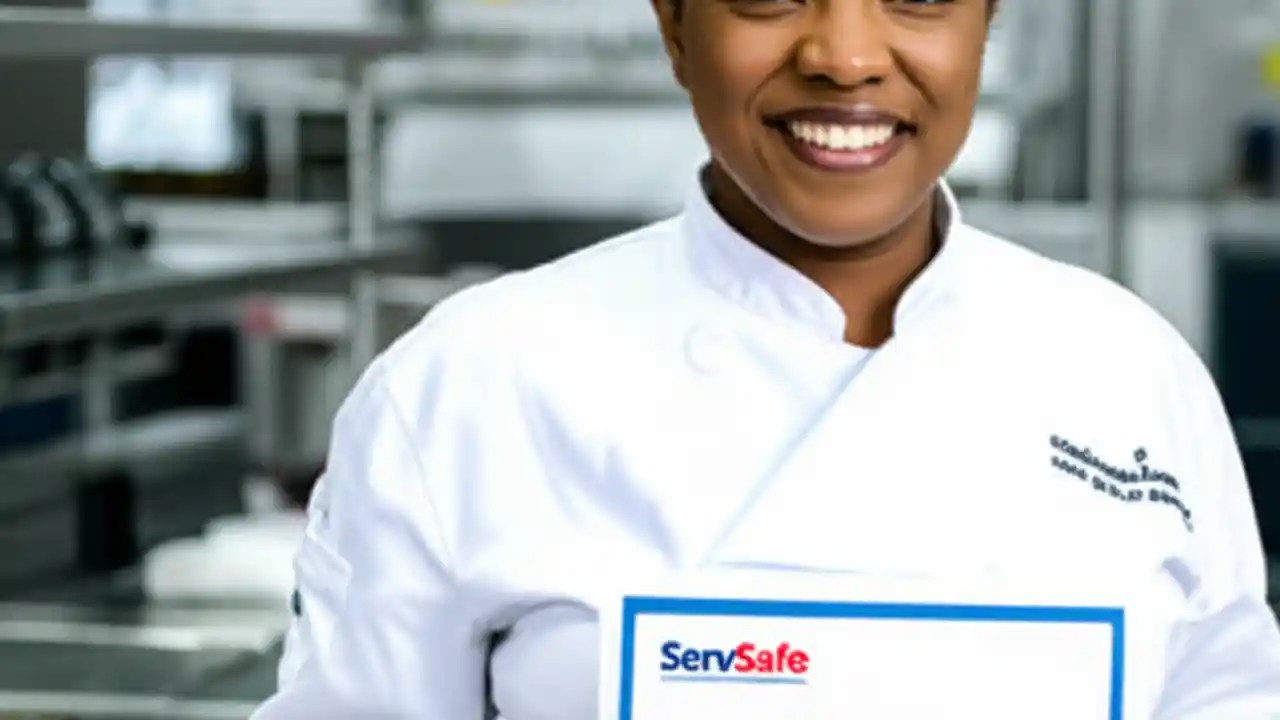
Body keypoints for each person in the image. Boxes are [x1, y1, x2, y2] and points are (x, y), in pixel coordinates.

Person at [252, 0, 1280, 717]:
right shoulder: (469, 385)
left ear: (985, 21)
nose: (844, 54)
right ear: (673, 24)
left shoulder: (1127, 372)